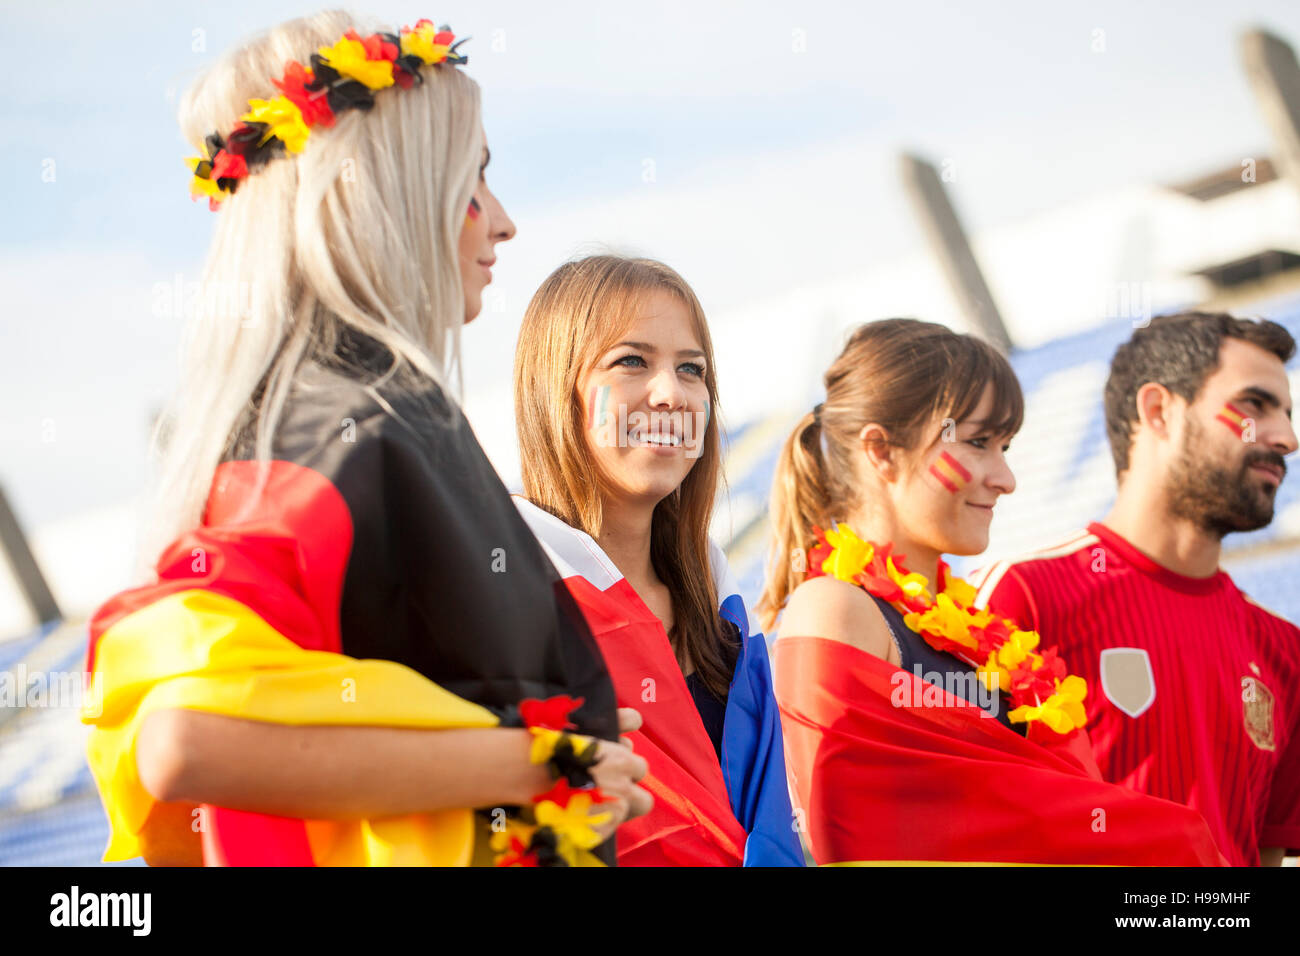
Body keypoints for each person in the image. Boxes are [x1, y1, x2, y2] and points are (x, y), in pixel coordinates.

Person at [81, 10, 649, 868]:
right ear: (377, 192)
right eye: (473, 180)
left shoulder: (362, 411)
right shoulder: (336, 422)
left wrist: (574, 727)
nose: (503, 223)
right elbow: (183, 739)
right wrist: (540, 761)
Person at [761, 318, 1225, 865]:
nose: (1006, 478)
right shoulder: (835, 606)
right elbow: (843, 834)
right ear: (882, 452)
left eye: (1004, 446)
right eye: (978, 443)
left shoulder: (972, 627)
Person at [972, 311, 1300, 866]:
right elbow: (967, 830)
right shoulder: (1023, 599)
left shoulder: (1282, 650)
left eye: (1287, 415)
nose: (1286, 439)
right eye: (1253, 406)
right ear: (1159, 411)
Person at [511, 255, 804, 865]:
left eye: (691, 369)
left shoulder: (723, 614)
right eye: (631, 361)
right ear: (556, 389)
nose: (672, 394)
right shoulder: (506, 602)